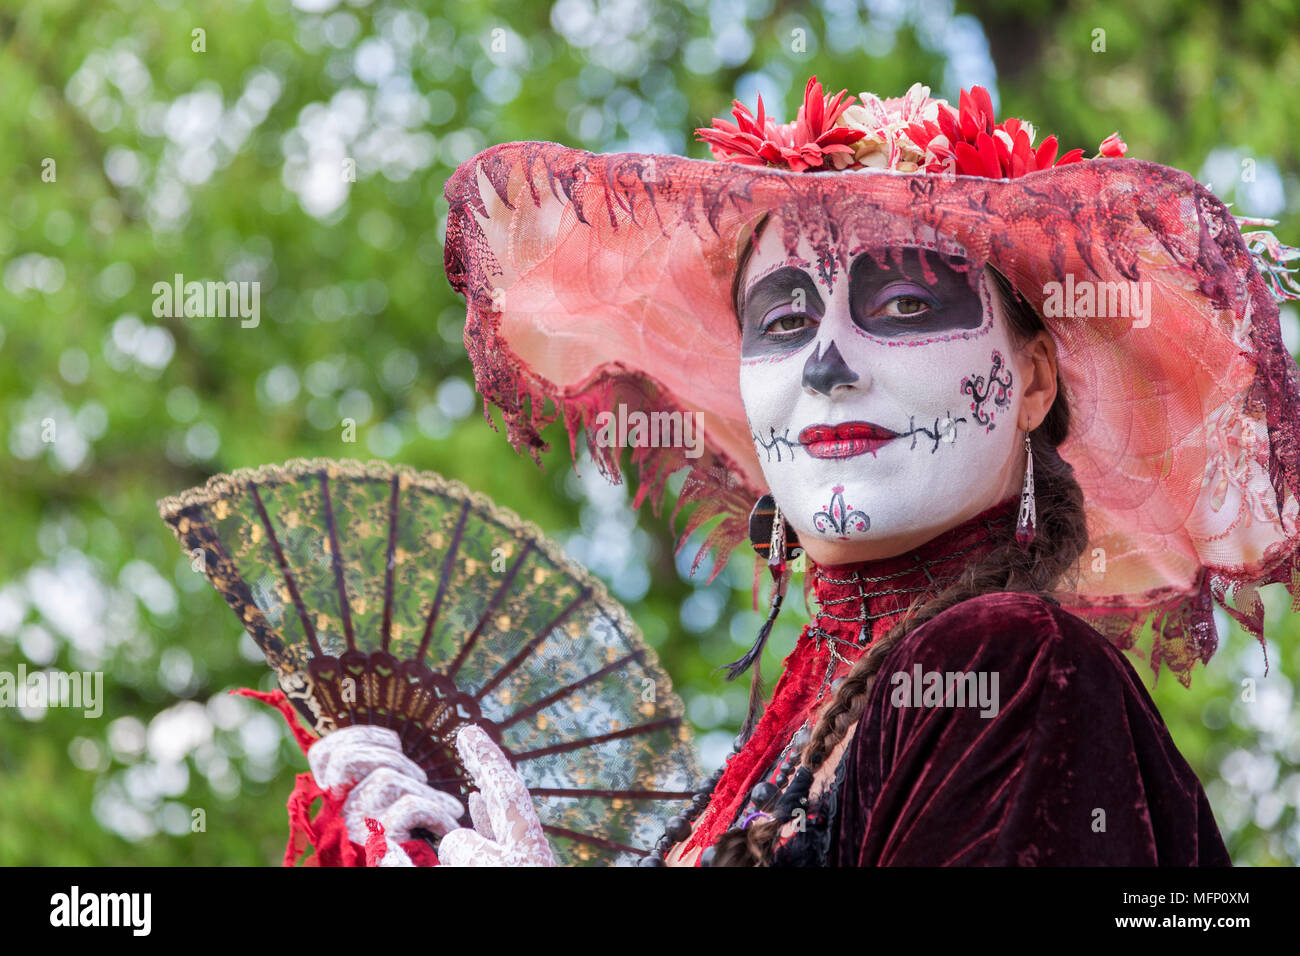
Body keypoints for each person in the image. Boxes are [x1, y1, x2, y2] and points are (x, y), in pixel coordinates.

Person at [314, 78, 1300, 866]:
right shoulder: (783, 737)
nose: (825, 363)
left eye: (906, 305)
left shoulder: (1005, 661)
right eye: (783, 322)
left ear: (1033, 376)